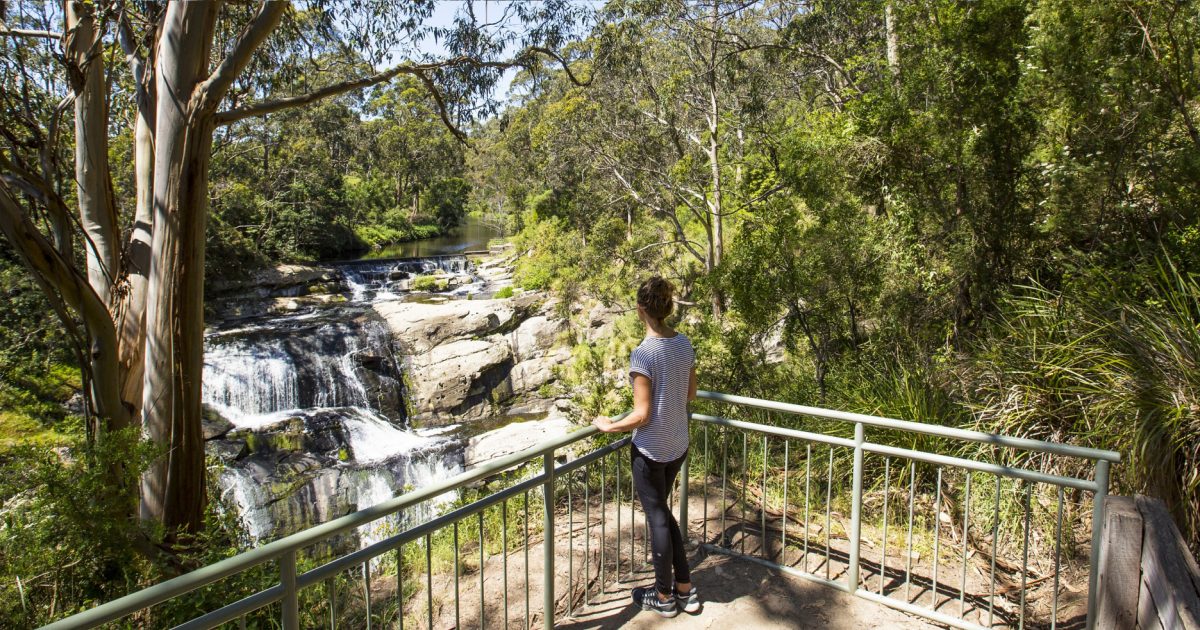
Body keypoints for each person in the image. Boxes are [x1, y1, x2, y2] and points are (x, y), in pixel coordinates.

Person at [592, 276, 700, 617]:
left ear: (641, 310)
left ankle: (664, 596)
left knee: (658, 518)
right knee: (665, 515)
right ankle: (685, 589)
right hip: (677, 443)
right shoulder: (683, 345)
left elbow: (641, 415)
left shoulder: (644, 353)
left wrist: (610, 425)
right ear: (667, 308)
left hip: (651, 451)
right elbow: (691, 394)